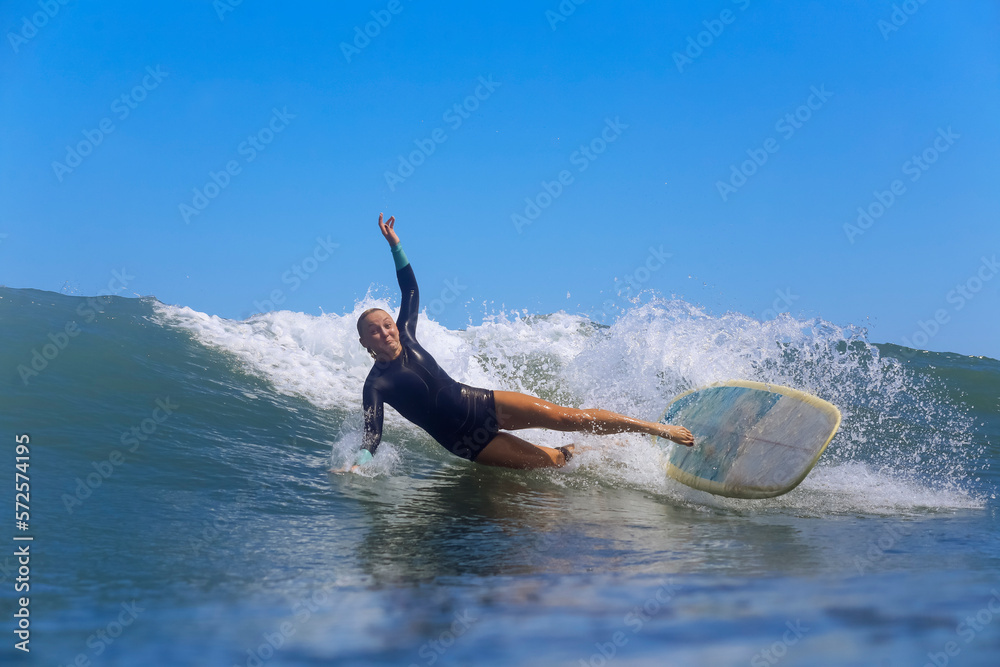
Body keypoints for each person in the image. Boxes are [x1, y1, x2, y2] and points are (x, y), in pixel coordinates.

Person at [336, 213, 694, 473]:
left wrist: (396, 246)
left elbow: (410, 290)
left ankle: (655, 429)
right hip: (468, 444)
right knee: (554, 461)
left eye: (387, 324)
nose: (385, 331)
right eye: (375, 330)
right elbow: (372, 434)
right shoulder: (376, 385)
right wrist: (359, 464)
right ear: (364, 341)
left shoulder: (408, 334)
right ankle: (597, 451)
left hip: (482, 404)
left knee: (566, 417)